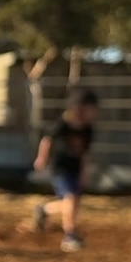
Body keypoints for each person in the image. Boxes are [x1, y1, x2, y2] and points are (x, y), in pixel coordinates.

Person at [27, 87, 98, 252]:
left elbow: (85, 155)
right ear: (79, 107)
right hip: (60, 168)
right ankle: (69, 235)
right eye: (91, 108)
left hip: (75, 169)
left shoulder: (88, 130)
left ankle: (43, 209)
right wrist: (42, 158)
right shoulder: (63, 124)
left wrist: (84, 174)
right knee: (71, 198)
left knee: (71, 202)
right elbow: (47, 140)